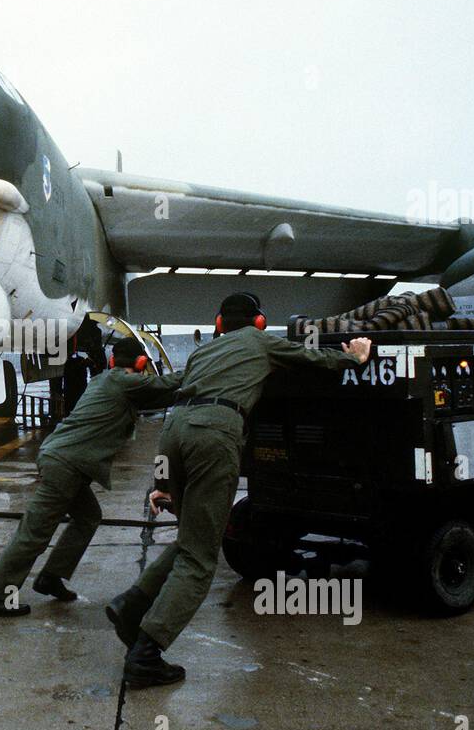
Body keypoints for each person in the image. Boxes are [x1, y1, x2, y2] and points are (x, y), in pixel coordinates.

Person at [105, 293, 372, 686]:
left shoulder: (202, 352)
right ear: (259, 322)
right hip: (215, 432)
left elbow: (173, 388)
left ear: (218, 323)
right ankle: (146, 652)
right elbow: (312, 360)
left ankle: (132, 604)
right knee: (200, 561)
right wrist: (354, 357)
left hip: (175, 431)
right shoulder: (260, 341)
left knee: (195, 536)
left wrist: (163, 483)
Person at [0, 337, 183, 618]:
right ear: (140, 363)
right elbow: (166, 385)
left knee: (88, 517)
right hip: (65, 465)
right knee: (35, 532)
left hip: (64, 462)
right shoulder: (124, 381)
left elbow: (164, 396)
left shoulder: (108, 381)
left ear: (113, 360)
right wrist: (204, 366)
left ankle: (51, 576)